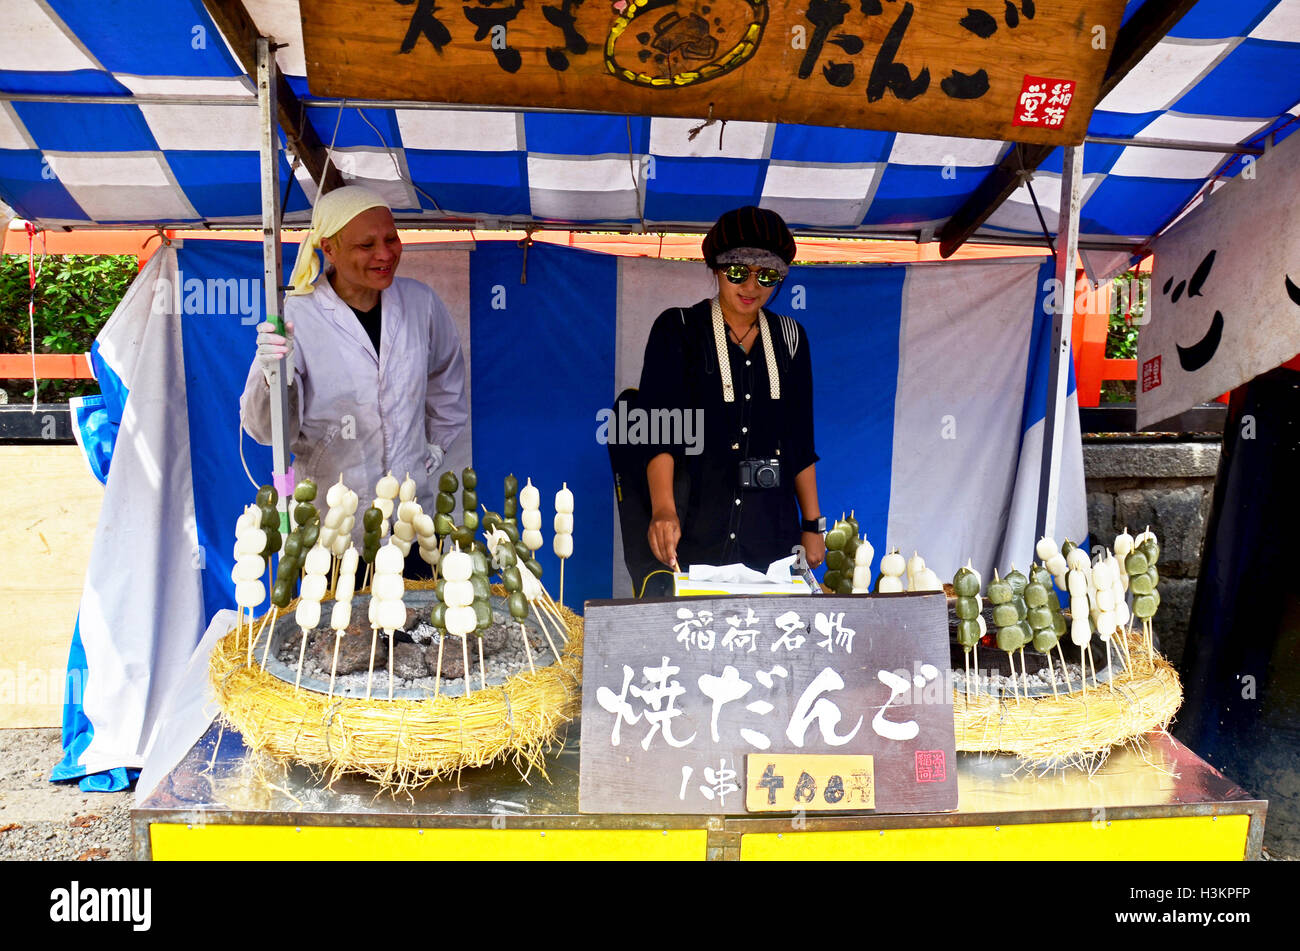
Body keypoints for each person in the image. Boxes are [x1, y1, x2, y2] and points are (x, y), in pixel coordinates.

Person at [240, 185, 468, 566]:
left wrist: (437, 443)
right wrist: (272, 379)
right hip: (331, 531)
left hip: (411, 524)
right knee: (338, 603)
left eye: (391, 239)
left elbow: (446, 374)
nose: (385, 254)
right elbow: (268, 432)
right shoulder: (298, 316)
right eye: (367, 245)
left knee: (416, 604)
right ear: (329, 248)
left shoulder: (420, 304)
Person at [637, 206, 825, 582]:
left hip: (771, 536)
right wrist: (663, 510)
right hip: (694, 533)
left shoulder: (791, 339)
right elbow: (658, 429)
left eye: (766, 275)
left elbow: (799, 441)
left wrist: (812, 525)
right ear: (716, 268)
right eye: (738, 272)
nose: (751, 287)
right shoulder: (679, 330)